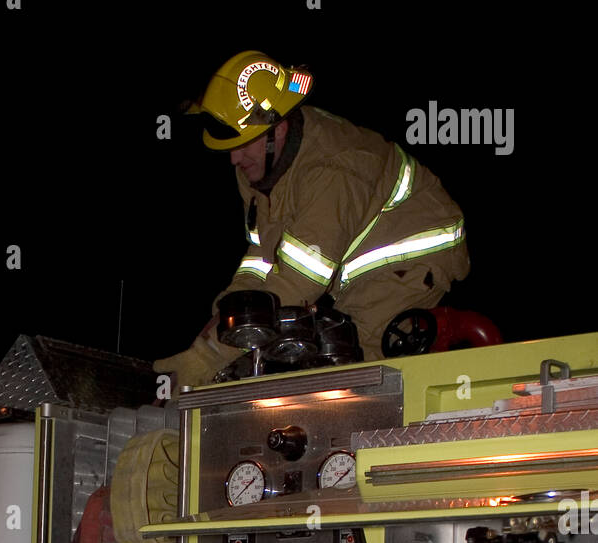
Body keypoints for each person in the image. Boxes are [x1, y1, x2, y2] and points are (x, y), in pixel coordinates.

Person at [155, 50, 470, 384]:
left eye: (244, 144)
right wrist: (224, 318)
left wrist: (212, 355)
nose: (234, 158)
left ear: (277, 128)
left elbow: (298, 282)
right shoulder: (258, 167)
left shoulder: (332, 170)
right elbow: (262, 257)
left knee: (355, 365)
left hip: (414, 254)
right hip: (350, 258)